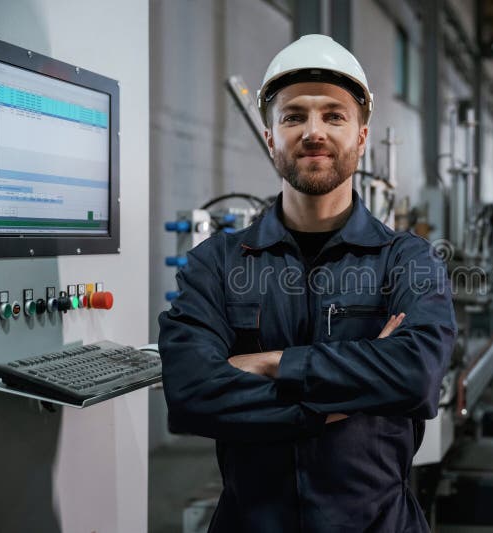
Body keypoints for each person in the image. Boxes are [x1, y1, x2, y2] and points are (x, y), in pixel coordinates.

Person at [158, 34, 456, 532]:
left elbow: (416, 376)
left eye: (334, 116)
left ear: (361, 136)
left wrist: (274, 363)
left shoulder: (407, 260)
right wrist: (341, 401)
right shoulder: (214, 263)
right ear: (270, 135)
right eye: (294, 116)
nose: (313, 131)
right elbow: (191, 395)